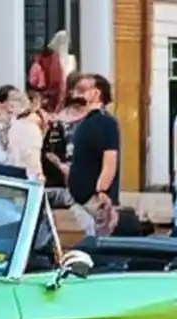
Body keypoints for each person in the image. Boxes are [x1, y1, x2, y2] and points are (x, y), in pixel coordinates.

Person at [65, 74, 121, 236]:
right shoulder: (84, 122)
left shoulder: (107, 123)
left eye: (82, 90)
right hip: (81, 198)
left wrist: (101, 191)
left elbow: (110, 160)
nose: (76, 95)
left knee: (98, 240)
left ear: (96, 94)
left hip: (95, 200)